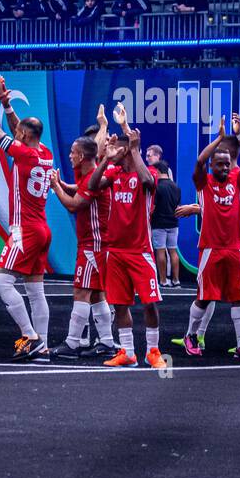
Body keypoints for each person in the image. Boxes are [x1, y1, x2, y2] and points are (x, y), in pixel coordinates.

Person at [86, 119, 164, 368]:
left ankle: (153, 351)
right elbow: (92, 185)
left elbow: (148, 183)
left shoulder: (147, 172)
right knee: (120, 304)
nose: (110, 148)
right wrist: (107, 159)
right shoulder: (114, 172)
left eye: (115, 148)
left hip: (140, 251)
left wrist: (134, 149)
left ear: (126, 150)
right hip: (115, 250)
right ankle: (128, 352)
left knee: (149, 302)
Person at [178, 114, 240, 359]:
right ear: (212, 166)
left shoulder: (238, 180)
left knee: (239, 297)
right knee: (204, 297)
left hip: (234, 248)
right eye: (219, 164)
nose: (224, 167)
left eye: (227, 163)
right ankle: (191, 336)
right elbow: (199, 161)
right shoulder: (204, 182)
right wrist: (219, 138)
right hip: (211, 248)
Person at [0, 76, 54, 360]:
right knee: (35, 290)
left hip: (24, 229)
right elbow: (18, 132)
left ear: (25, 137)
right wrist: (8, 106)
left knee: (1, 284)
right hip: (41, 228)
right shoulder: (44, 153)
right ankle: (44, 344)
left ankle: (29, 335)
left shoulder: (23, 154)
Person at [47, 131, 117, 360]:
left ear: (83, 157)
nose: (69, 156)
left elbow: (74, 205)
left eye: (73, 153)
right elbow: (82, 187)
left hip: (92, 246)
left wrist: (56, 187)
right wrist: (102, 125)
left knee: (81, 291)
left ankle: (73, 343)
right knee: (97, 294)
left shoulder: (93, 178)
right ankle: (106, 342)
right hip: (97, 244)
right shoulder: (89, 176)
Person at [149, 156, 182, 288]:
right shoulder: (176, 187)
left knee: (160, 251)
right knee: (173, 251)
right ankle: (176, 280)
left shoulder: (157, 187)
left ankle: (163, 281)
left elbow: (153, 207)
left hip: (159, 224)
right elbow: (178, 205)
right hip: (173, 223)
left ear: (157, 171)